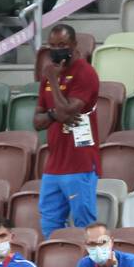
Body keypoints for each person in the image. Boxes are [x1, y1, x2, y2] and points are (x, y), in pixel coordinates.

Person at [34, 23, 99, 236]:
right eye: (52, 45)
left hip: (79, 161)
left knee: (84, 225)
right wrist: (53, 114)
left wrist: (52, 79)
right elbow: (37, 121)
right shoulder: (48, 75)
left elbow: (68, 112)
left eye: (62, 44)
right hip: (53, 166)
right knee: (49, 227)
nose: (56, 49)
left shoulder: (85, 73)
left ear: (73, 44)